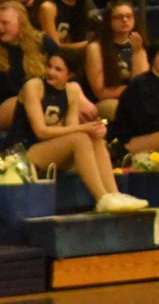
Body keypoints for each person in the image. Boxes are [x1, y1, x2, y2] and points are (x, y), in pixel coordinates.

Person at [10, 49, 149, 212]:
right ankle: (101, 198)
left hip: (49, 150)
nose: (50, 72)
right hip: (22, 153)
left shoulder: (72, 91)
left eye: (58, 69)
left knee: (93, 138)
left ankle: (114, 194)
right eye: (49, 66)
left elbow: (72, 129)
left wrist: (95, 130)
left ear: (70, 75)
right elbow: (40, 131)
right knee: (81, 138)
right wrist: (84, 128)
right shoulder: (33, 87)